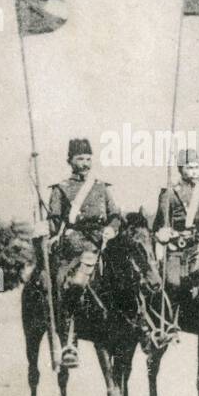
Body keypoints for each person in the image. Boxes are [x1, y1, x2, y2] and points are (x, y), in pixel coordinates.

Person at [47, 137, 121, 368]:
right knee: (76, 284)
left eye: (88, 158)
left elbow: (115, 215)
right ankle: (70, 341)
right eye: (80, 158)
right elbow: (54, 220)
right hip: (76, 247)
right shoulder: (61, 188)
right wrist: (52, 231)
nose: (85, 163)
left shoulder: (101, 187)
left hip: (103, 244)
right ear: (70, 161)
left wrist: (111, 228)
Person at [153, 148, 199, 299]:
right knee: (174, 283)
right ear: (180, 169)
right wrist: (165, 232)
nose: (194, 171)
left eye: (196, 167)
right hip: (179, 248)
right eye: (189, 168)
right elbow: (160, 224)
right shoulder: (170, 194)